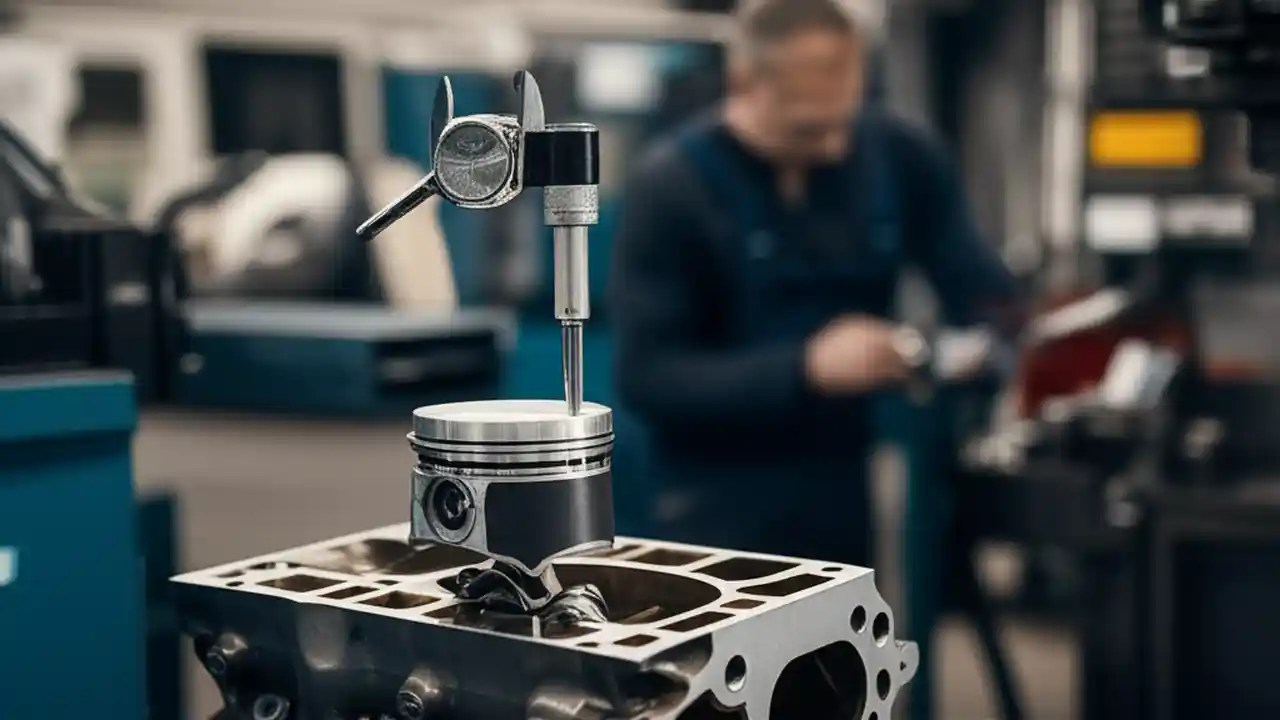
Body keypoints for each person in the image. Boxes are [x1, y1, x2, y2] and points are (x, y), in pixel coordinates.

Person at [611, 0, 1019, 567]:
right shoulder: (672, 187)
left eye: (844, 118)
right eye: (809, 125)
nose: (834, 146)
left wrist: (957, 356)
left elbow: (988, 301)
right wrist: (807, 367)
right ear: (745, 83)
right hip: (710, 506)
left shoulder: (901, 156)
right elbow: (648, 377)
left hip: (846, 490)